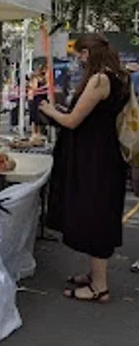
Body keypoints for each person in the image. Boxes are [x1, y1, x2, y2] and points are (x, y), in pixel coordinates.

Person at [40, 34, 130, 302]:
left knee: (95, 216)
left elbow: (72, 121)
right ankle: (95, 276)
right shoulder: (120, 77)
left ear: (89, 53)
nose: (78, 59)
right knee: (99, 213)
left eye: (80, 54)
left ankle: (99, 287)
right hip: (106, 157)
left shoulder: (100, 79)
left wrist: (49, 109)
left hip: (95, 160)